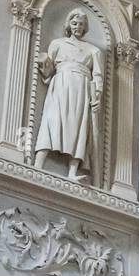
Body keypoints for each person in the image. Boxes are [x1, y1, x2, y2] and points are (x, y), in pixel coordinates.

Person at [34, 10, 103, 181]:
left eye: (81, 24)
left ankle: (72, 172)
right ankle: (38, 164)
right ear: (69, 24)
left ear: (85, 27)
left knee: (79, 127)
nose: (78, 27)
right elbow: (49, 71)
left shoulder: (93, 51)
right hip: (60, 85)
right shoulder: (57, 44)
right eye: (74, 23)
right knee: (51, 121)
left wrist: (98, 97)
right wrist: (44, 64)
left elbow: (98, 76)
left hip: (82, 89)